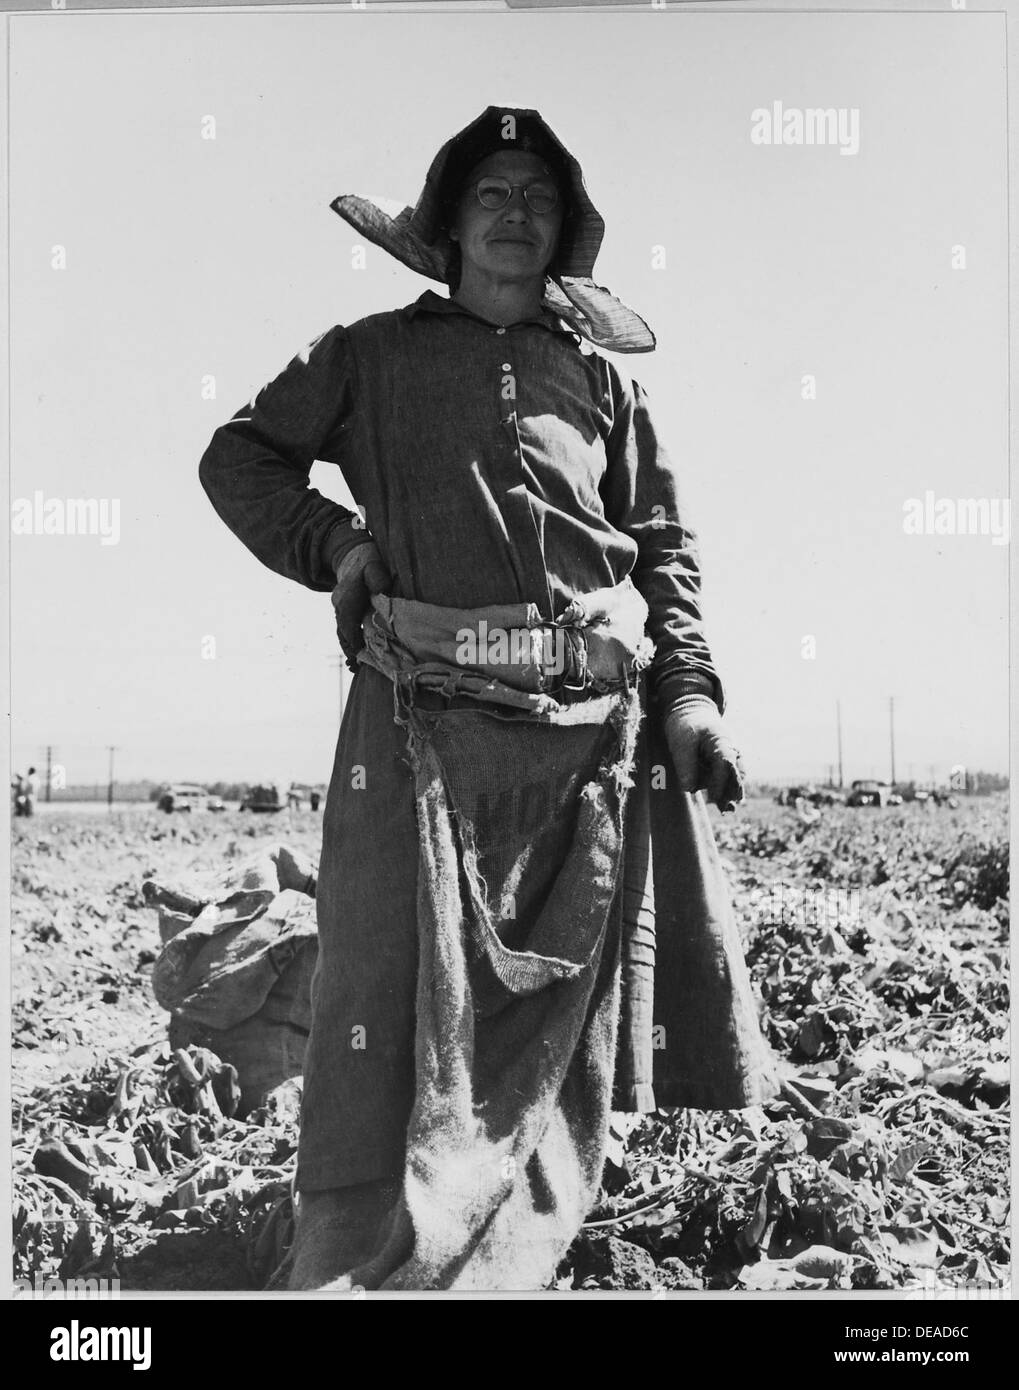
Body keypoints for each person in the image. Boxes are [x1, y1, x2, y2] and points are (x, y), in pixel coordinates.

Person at [199, 107, 775, 1291]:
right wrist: (338, 547)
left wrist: (691, 698)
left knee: (562, 1045)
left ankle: (519, 1239)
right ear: (449, 224)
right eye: (492, 195)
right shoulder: (364, 356)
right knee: (383, 994)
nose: (517, 215)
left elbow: (660, 549)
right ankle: (358, 1245)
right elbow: (239, 456)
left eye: (539, 200)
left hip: (587, 754)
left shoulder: (604, 389)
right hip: (419, 735)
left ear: (565, 235)